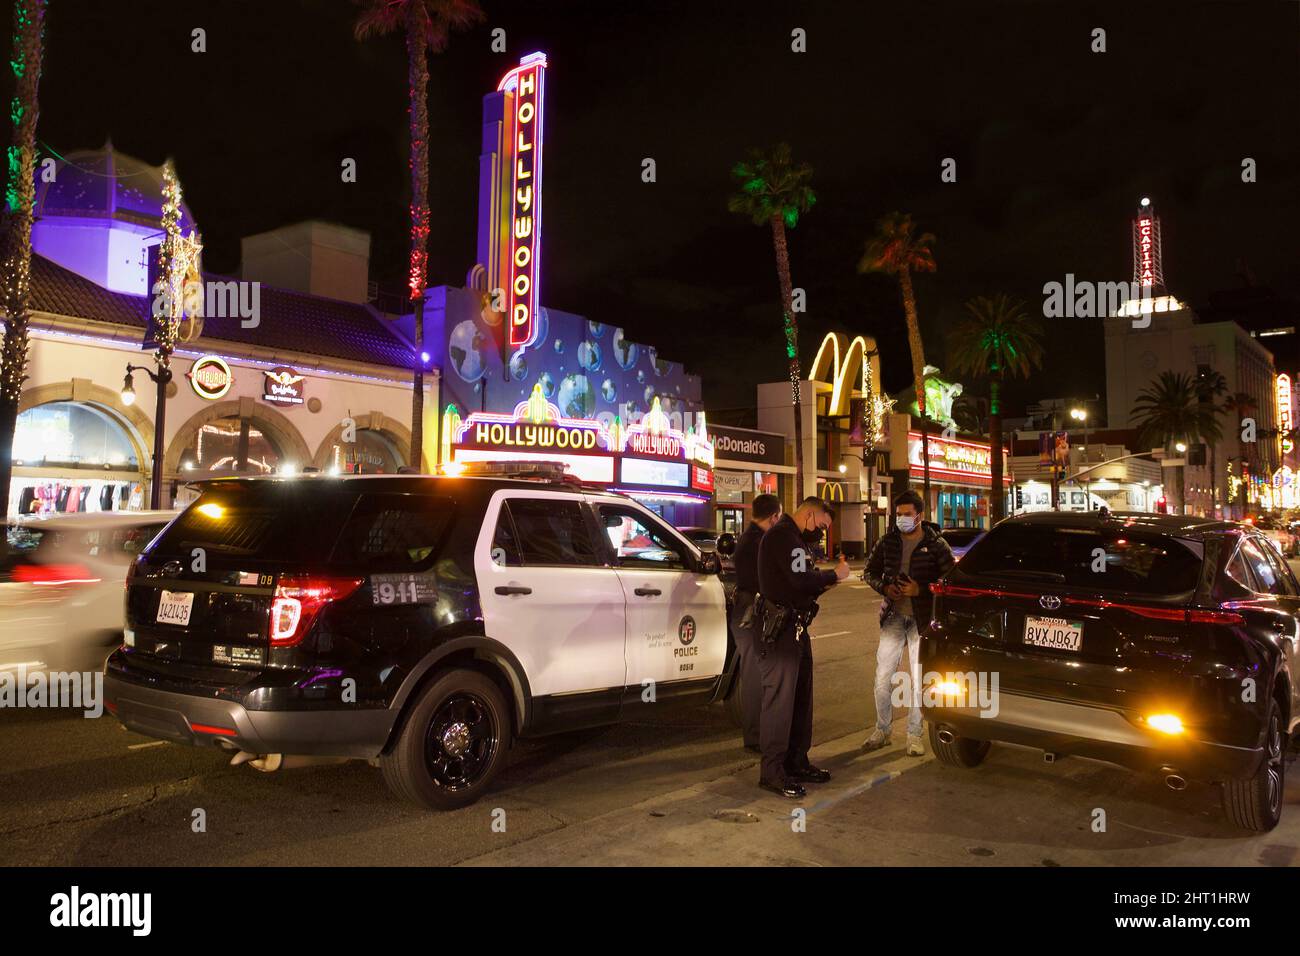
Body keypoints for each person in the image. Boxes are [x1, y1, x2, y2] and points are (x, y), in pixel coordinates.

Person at [755, 496, 851, 798]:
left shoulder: (793, 537)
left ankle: (796, 762)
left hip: (795, 628)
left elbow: (804, 582)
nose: (820, 533)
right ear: (810, 514)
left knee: (800, 700)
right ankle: (772, 772)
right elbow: (801, 580)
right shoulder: (784, 536)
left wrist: (823, 582)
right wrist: (834, 575)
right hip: (781, 631)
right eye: (821, 526)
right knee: (780, 705)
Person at [862, 488, 955, 756]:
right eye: (898, 514)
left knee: (918, 680)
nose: (901, 519)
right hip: (893, 616)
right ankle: (882, 729)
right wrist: (885, 587)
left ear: (920, 516)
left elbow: (949, 582)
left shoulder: (937, 545)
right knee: (883, 677)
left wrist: (921, 589)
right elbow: (870, 571)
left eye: (907, 514)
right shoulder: (888, 542)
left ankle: (914, 734)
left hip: (921, 620)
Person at [729, 493, 782, 752]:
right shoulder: (757, 542)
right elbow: (763, 581)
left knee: (755, 673)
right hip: (751, 612)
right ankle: (755, 736)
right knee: (754, 675)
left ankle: (759, 734)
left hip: (747, 610)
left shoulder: (750, 538)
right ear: (774, 516)